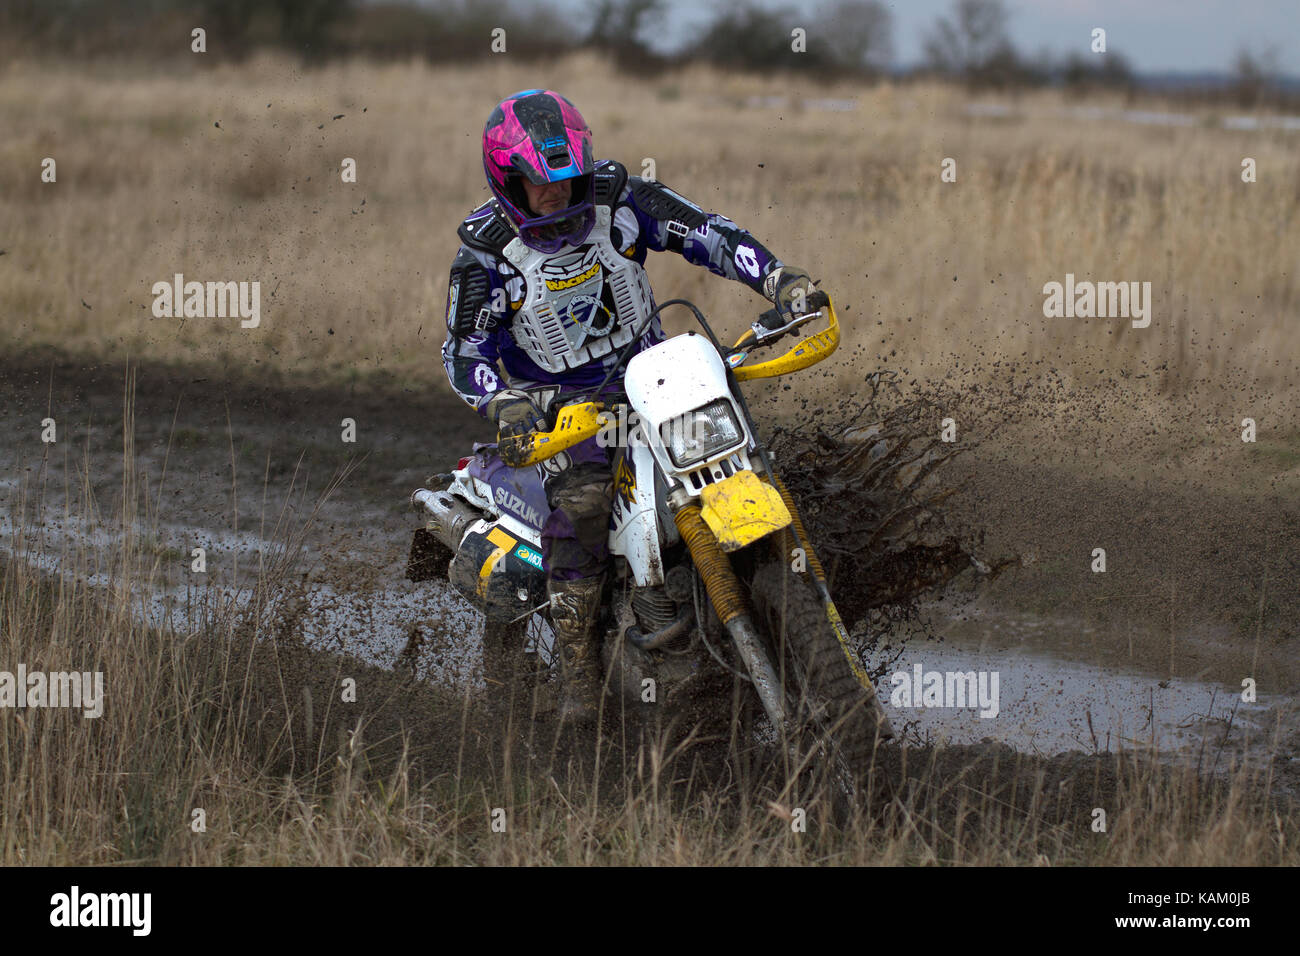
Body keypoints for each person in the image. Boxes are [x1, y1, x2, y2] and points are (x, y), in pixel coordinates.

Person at [441, 89, 822, 725]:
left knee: (748, 454)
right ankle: (578, 675)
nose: (560, 193)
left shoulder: (618, 199)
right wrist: (501, 402)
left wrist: (780, 279)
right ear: (509, 182)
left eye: (568, 177)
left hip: (657, 377)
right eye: (542, 184)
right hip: (564, 410)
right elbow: (463, 351)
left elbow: (707, 233)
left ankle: (796, 598)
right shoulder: (485, 257)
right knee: (586, 505)